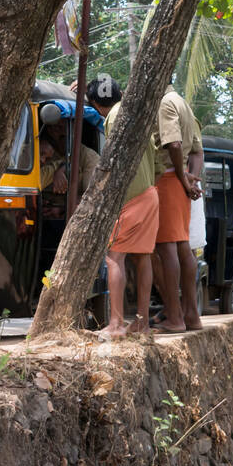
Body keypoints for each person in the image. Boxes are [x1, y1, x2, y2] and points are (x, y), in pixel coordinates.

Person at [85, 77, 159, 338]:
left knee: (114, 256)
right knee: (142, 257)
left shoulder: (114, 117)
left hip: (130, 196)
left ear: (96, 103)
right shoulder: (135, 111)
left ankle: (115, 324)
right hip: (150, 192)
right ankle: (142, 322)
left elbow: (115, 158)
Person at [152, 84, 203, 333]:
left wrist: (184, 180)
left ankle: (175, 317)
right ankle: (191, 314)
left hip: (168, 178)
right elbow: (197, 150)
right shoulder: (183, 103)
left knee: (166, 248)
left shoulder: (165, 103)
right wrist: (190, 179)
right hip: (180, 180)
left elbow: (173, 144)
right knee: (183, 247)